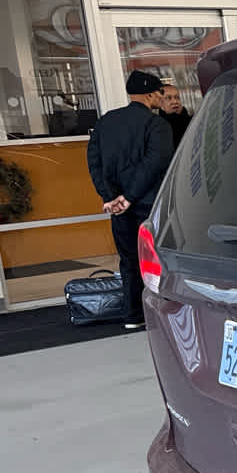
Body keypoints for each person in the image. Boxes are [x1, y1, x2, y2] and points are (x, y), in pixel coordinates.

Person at [87, 70, 174, 330]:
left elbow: (94, 161)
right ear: (151, 95)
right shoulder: (157, 125)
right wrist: (130, 196)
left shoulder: (106, 122)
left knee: (128, 260)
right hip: (149, 205)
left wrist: (110, 197)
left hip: (118, 207)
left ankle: (133, 315)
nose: (162, 97)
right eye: (161, 92)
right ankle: (161, 315)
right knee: (159, 258)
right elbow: (156, 163)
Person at [155, 82, 193, 147]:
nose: (175, 101)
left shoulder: (194, 121)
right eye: (168, 98)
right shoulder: (158, 129)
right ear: (160, 103)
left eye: (177, 97)